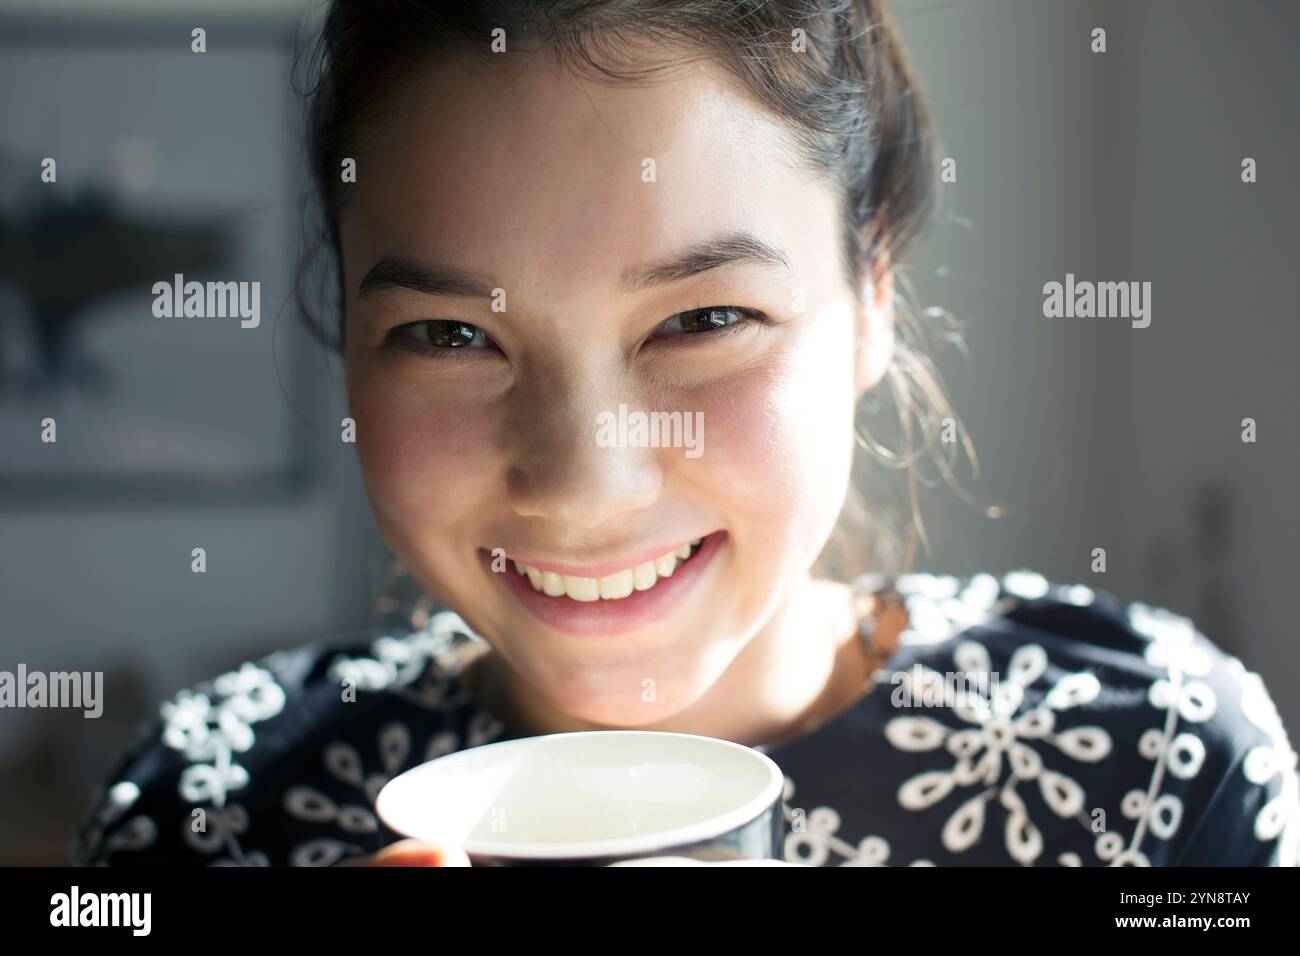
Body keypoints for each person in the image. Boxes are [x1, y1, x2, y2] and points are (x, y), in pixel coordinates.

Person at [72, 0, 1298, 867]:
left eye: (704, 317)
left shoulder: (1153, 778)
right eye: (451, 335)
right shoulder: (209, 813)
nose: (581, 485)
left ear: (872, 297)